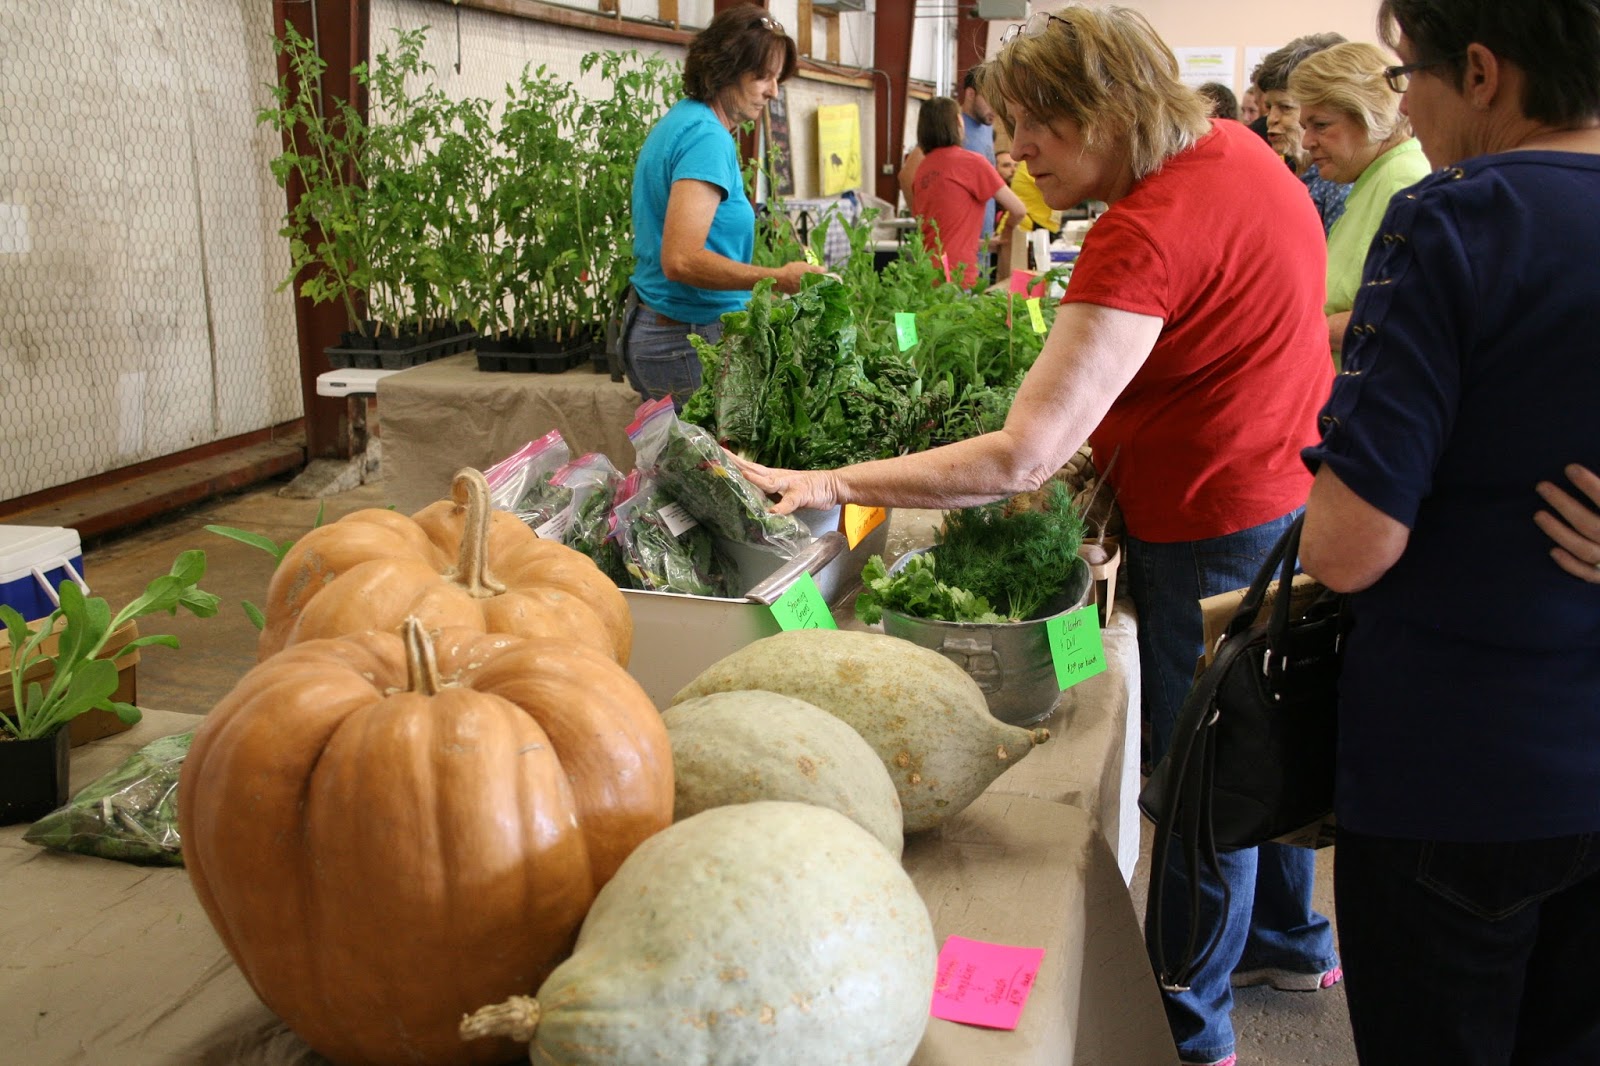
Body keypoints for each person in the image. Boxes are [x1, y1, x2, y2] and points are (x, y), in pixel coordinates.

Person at [737, 9, 1336, 1063]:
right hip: (1280, 486)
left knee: (1205, 778)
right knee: (1264, 729)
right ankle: (1289, 940)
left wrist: (829, 479)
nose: (1012, 153)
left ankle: (1189, 1031)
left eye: (1033, 127)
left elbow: (1020, 454)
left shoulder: (1143, 228)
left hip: (1208, 516)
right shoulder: (1237, 153)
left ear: (1109, 111)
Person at [1298, 2, 1600, 1062]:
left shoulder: (1457, 216)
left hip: (1463, 769)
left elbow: (1349, 548)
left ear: (1479, 71)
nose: (1406, 109)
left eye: (1405, 75)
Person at [623, 5, 821, 407]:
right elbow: (680, 260)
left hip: (668, 331)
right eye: (762, 76)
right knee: (705, 452)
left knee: (676, 450)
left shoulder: (686, 121)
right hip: (685, 339)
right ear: (726, 70)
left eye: (777, 78)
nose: (773, 91)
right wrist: (777, 279)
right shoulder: (706, 137)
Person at [1288, 42, 1432, 358]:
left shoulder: (1402, 182)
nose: (1307, 142)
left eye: (1321, 125)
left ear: (1370, 114)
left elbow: (1407, 316)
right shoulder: (1373, 178)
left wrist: (1299, 332)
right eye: (1304, 127)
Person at [911, 97, 1026, 288]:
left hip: (926, 273)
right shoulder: (972, 162)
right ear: (959, 121)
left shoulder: (922, 170)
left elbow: (942, 232)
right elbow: (1019, 210)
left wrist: (980, 243)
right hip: (958, 274)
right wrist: (1006, 232)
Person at [1254, 34, 1354, 234]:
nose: (1271, 119)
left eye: (1285, 107)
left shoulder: (1337, 184)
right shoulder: (1288, 172)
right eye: (1269, 107)